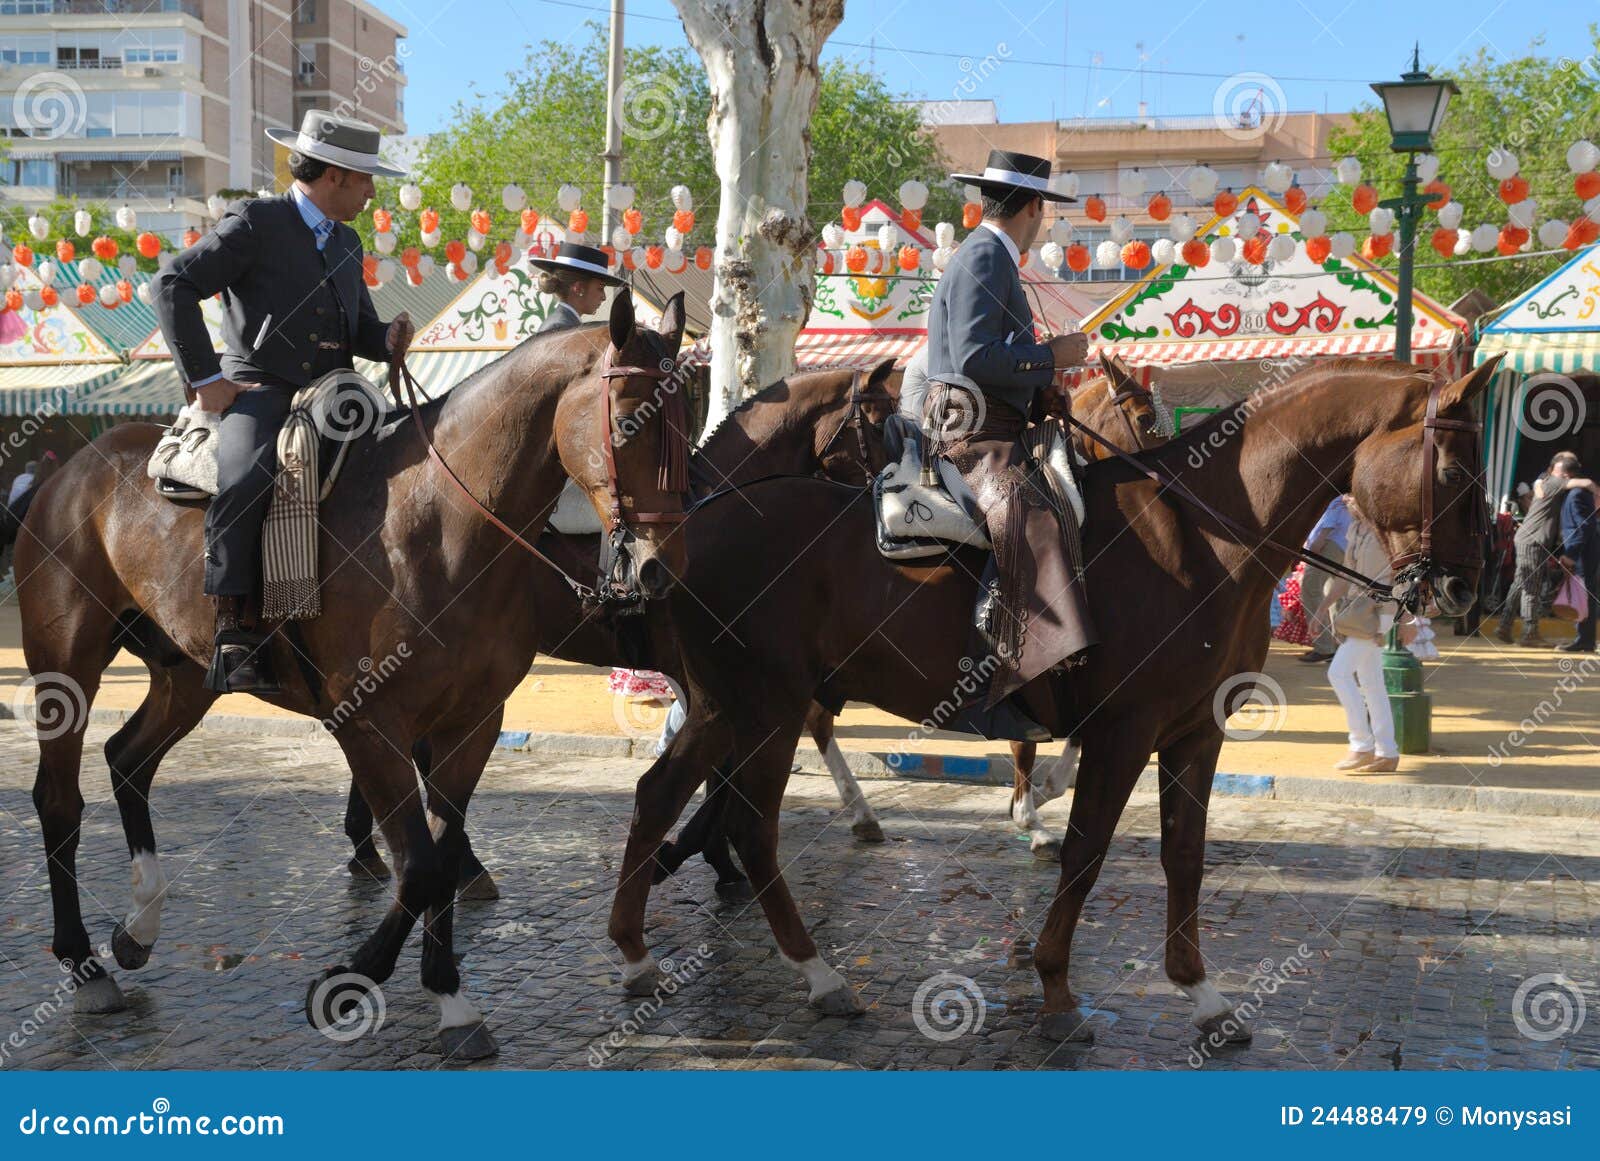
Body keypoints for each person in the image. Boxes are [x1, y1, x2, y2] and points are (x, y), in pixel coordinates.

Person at [152, 110, 413, 693]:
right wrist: (203, 377)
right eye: (366, 179)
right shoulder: (255, 220)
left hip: (336, 394)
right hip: (260, 391)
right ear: (336, 175)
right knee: (244, 480)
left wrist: (386, 338)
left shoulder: (347, 242)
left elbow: (359, 328)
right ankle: (233, 630)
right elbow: (172, 284)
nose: (372, 192)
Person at [924, 148, 1092, 740]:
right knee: (1033, 521)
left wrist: (1039, 387)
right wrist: (1052, 358)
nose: (1043, 216)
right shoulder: (985, 256)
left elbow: (991, 357)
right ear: (1032, 206)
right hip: (971, 431)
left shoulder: (992, 255)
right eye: (1043, 208)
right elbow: (973, 356)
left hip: (995, 419)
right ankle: (992, 685)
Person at [1312, 497, 1414, 774]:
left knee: (1339, 674)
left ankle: (1362, 745)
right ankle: (1386, 752)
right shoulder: (1355, 530)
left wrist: (1405, 618)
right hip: (1358, 612)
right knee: (1372, 684)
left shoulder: (1388, 532)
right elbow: (1345, 577)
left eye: (1352, 496)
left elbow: (1404, 576)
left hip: (1378, 614)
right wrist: (1321, 611)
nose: (1347, 500)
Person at [1494, 452, 1598, 647]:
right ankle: (1529, 633)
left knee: (1520, 584)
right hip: (1533, 542)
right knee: (1530, 588)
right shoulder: (1552, 483)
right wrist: (1594, 487)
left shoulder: (1545, 482)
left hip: (1529, 540)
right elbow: (1583, 483)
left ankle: (1505, 625)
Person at [1297, 495, 1350, 663]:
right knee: (1334, 593)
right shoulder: (1351, 500)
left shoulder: (1339, 500)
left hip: (1330, 544)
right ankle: (1340, 644)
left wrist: (1318, 541)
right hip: (1345, 545)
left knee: (1310, 587)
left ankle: (1324, 647)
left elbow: (1329, 521)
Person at [531, 241, 623, 333]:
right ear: (579, 288)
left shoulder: (566, 323)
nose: (604, 297)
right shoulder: (560, 327)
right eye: (600, 288)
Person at [1557, 471, 1599, 653]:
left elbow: (1585, 526)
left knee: (1585, 595)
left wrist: (1571, 554)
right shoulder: (1576, 493)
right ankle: (1585, 639)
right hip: (1584, 552)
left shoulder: (1577, 495)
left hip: (1583, 554)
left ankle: (1584, 639)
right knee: (1585, 594)